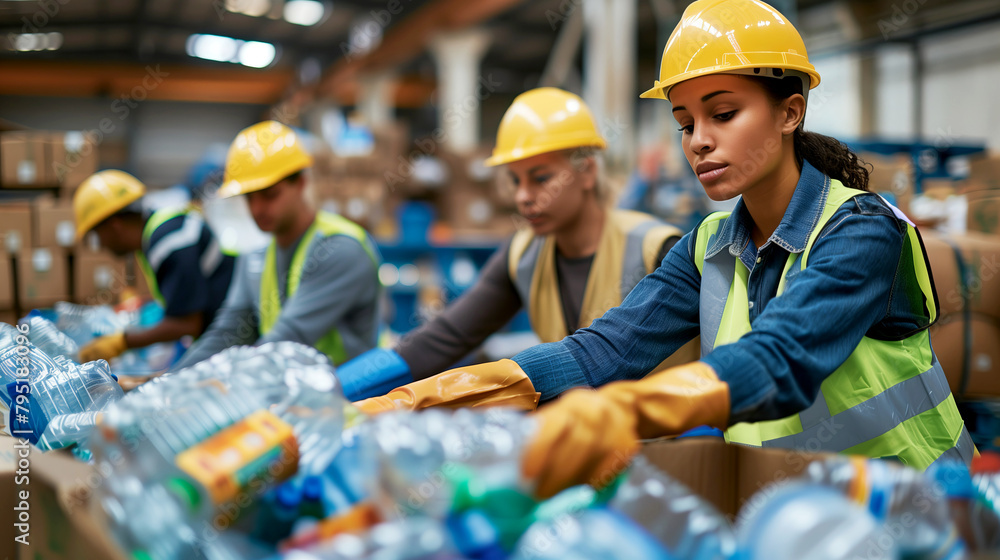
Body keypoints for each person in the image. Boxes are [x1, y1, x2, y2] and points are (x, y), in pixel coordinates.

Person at [355, 0, 973, 498]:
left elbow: (779, 360)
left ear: (790, 113)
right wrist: (420, 398)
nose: (698, 142)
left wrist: (621, 412)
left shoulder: (862, 230)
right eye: (684, 123)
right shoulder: (706, 246)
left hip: (922, 509)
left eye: (723, 113)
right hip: (797, 512)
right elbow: (604, 350)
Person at [335, 87, 694, 401]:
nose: (523, 197)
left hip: (666, 448)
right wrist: (338, 389)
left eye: (541, 179)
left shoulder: (655, 250)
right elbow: (446, 337)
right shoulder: (524, 254)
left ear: (587, 171)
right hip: (582, 440)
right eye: (515, 180)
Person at [170, 121, 382, 370]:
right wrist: (168, 385)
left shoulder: (341, 249)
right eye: (249, 198)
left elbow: (289, 339)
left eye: (270, 195)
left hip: (343, 397)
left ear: (301, 183)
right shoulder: (256, 255)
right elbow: (227, 334)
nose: (257, 209)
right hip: (287, 390)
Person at [74, 170, 235, 363]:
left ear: (114, 225)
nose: (100, 246)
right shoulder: (159, 232)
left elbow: (187, 324)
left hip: (234, 344)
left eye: (96, 235)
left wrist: (121, 342)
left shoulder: (168, 242)